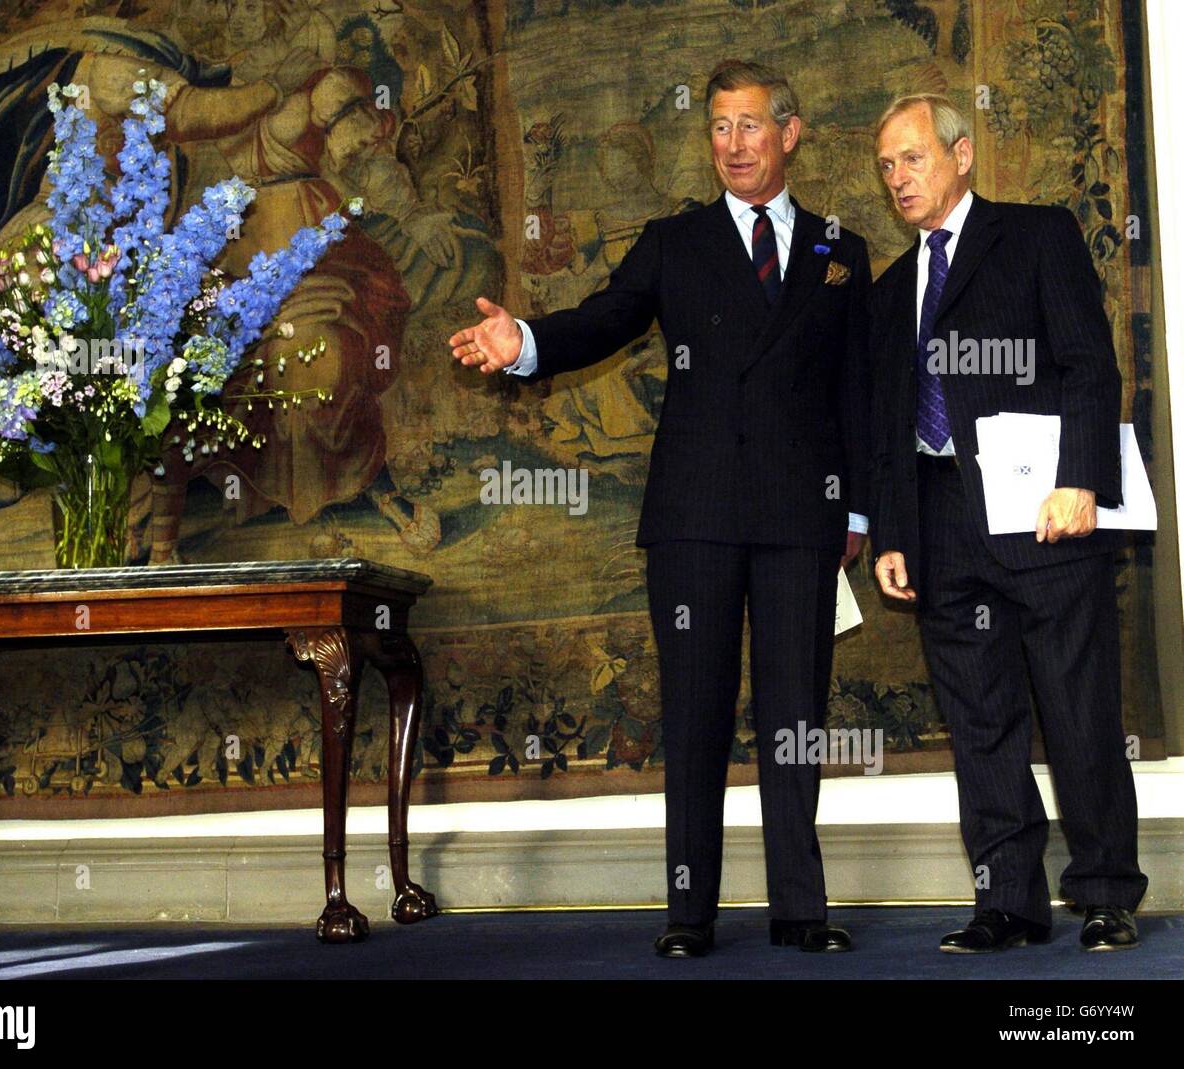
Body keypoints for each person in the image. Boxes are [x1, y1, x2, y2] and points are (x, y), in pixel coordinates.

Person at [449, 60, 872, 957]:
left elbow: (860, 394)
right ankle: (690, 914)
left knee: (798, 717)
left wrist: (860, 515)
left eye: (751, 126)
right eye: (719, 127)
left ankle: (802, 909)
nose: (734, 145)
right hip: (695, 517)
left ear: (789, 133)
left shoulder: (843, 249)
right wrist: (523, 340)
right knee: (695, 714)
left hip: (803, 519)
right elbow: (601, 318)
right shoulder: (674, 242)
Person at [869, 93, 1147, 952]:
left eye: (913, 158)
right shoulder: (887, 291)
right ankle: (1008, 904)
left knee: (1078, 708)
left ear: (961, 156)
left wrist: (1082, 483)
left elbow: (1087, 366)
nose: (898, 178)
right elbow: (882, 421)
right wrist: (890, 534)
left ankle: (1104, 895)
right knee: (980, 721)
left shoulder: (1035, 235)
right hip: (941, 523)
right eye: (885, 166)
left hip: (1043, 513)